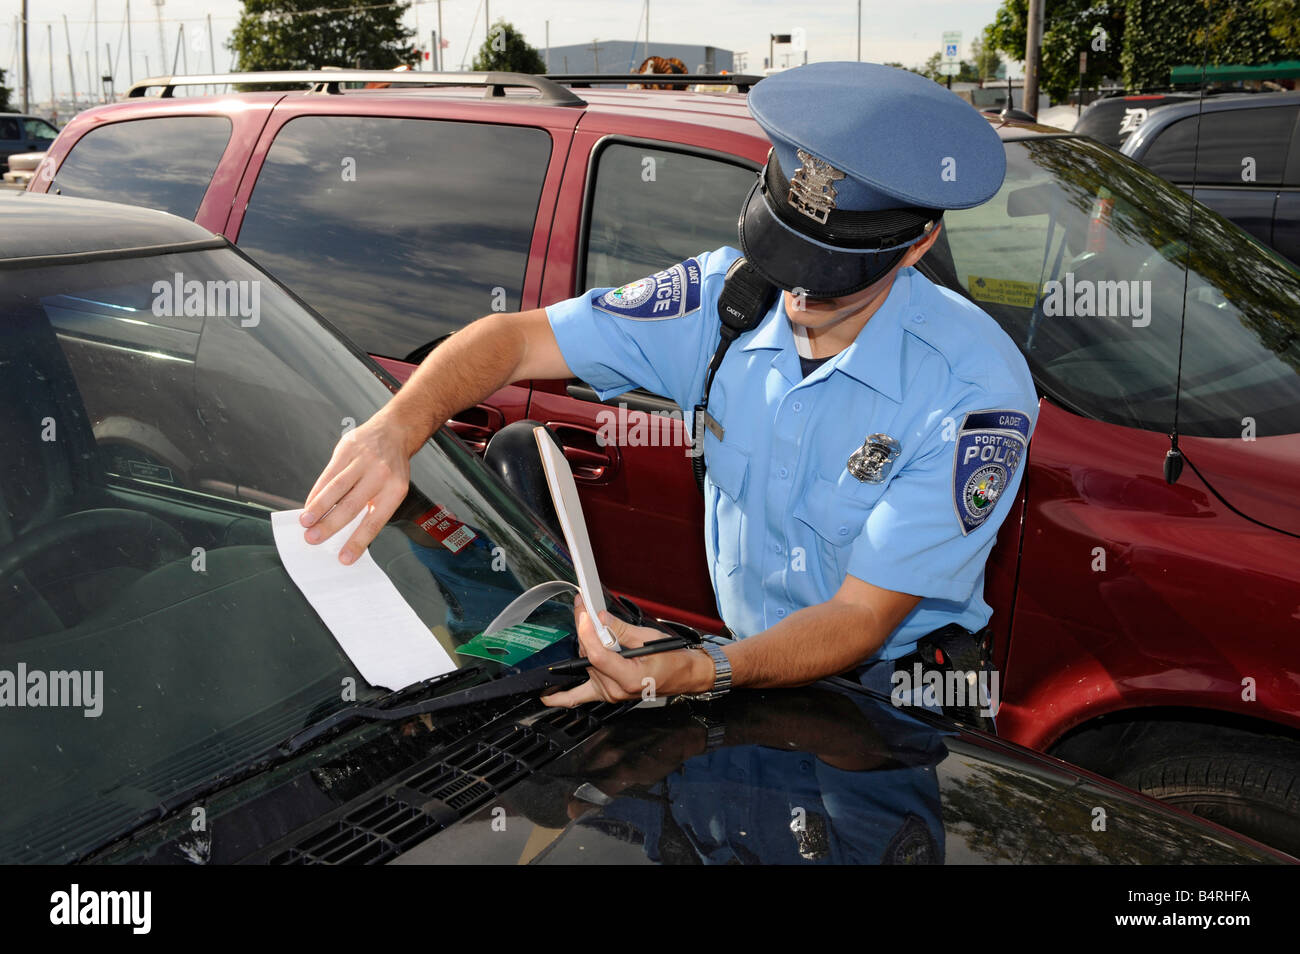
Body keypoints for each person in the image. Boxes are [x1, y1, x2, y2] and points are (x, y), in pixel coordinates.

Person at [298, 62, 1037, 716]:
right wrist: (398, 427)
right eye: (786, 248)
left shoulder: (973, 392)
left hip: (885, 705)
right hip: (744, 674)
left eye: (835, 267)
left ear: (919, 244)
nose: (800, 288)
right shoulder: (723, 301)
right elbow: (514, 339)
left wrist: (706, 669)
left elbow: (859, 619)